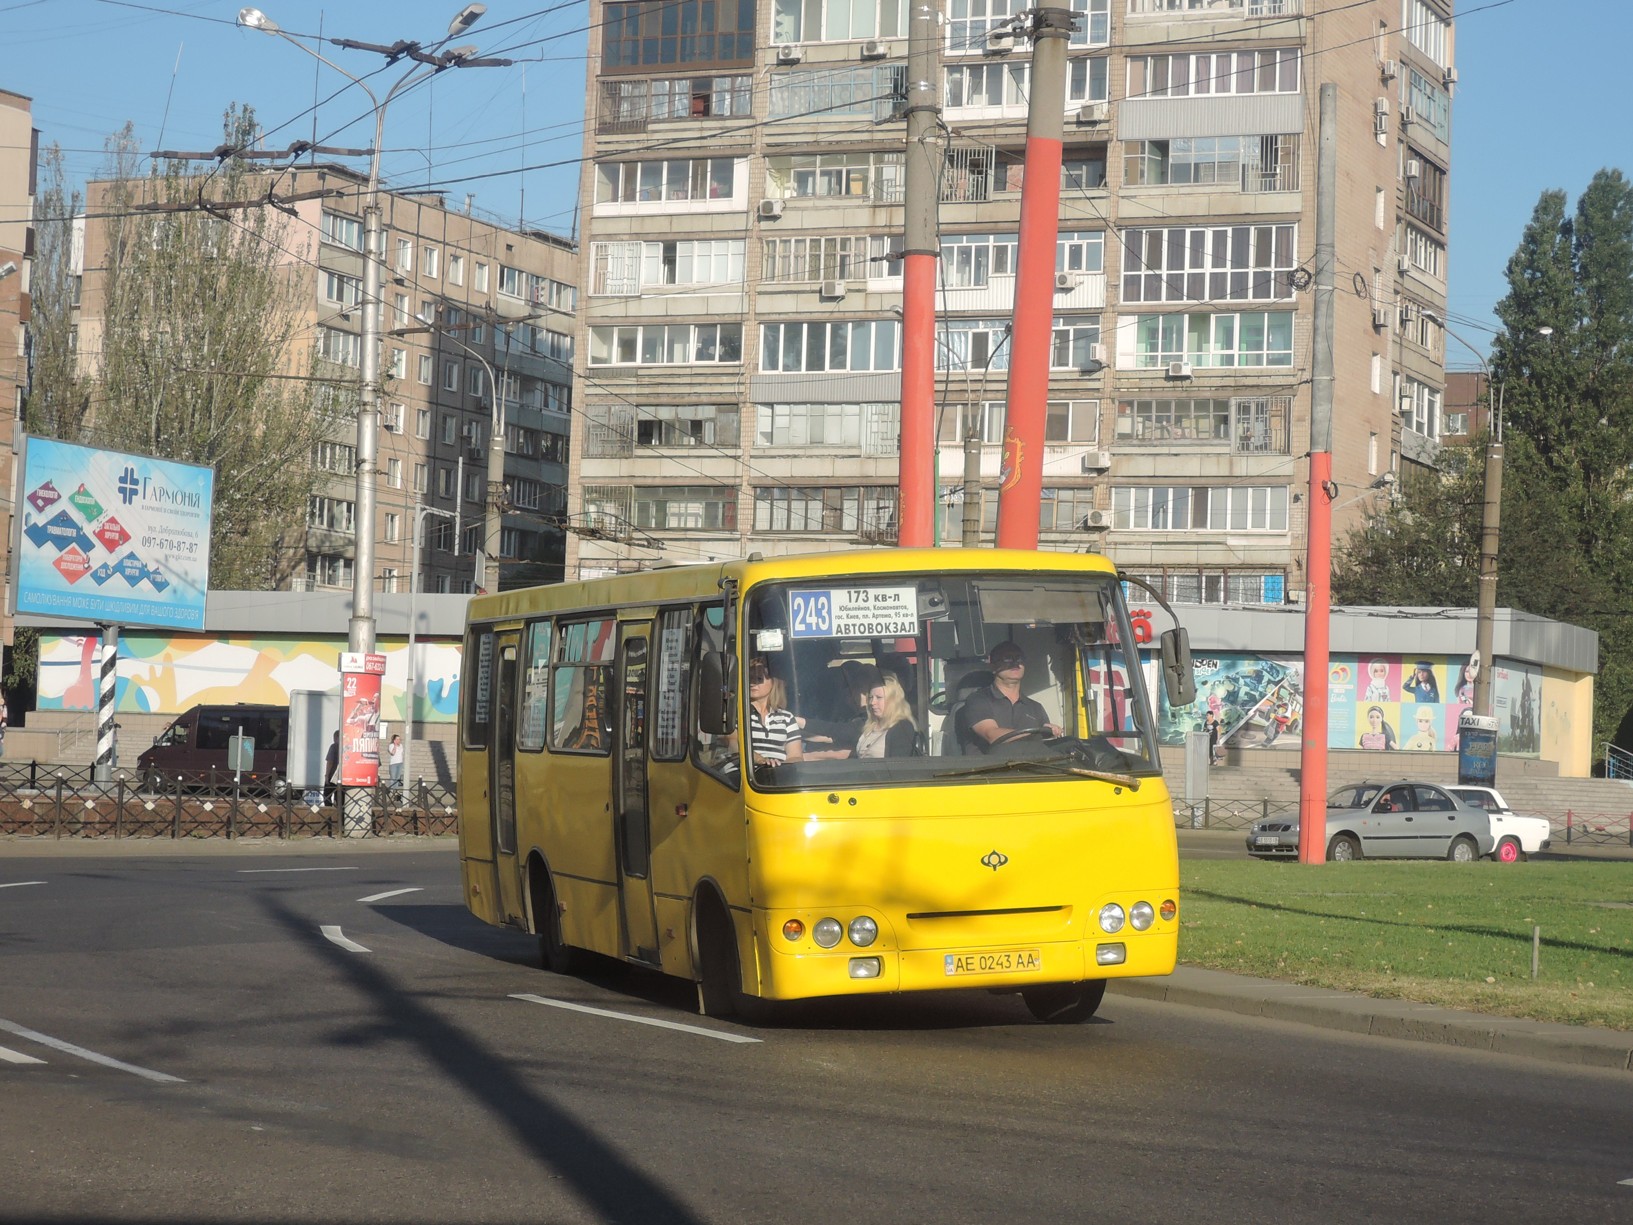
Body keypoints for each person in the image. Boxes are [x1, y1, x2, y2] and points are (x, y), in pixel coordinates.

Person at [964, 642, 1062, 751]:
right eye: (1007, 658)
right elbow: (991, 735)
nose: (1015, 663)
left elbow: (1044, 746)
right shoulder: (977, 700)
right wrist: (1037, 733)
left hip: (1031, 767)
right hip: (988, 767)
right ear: (993, 666)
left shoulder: (1036, 707)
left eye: (1019, 658)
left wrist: (1052, 733)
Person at [746, 657, 803, 769]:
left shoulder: (787, 718)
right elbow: (734, 744)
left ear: (774, 682)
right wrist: (761, 760)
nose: (752, 683)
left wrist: (778, 767)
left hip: (777, 778)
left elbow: (796, 756)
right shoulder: (737, 714)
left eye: (758, 678)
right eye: (749, 678)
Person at [854, 673, 917, 758]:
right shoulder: (868, 725)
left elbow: (898, 766)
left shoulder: (902, 728)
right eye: (870, 697)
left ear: (893, 700)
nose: (872, 702)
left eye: (879, 697)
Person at [323, 730, 340, 806]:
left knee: (327, 796)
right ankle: (340, 815)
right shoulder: (346, 747)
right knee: (340, 798)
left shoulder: (334, 747)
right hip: (342, 777)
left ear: (336, 737)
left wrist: (327, 776)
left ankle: (328, 815)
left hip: (332, 776)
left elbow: (330, 762)